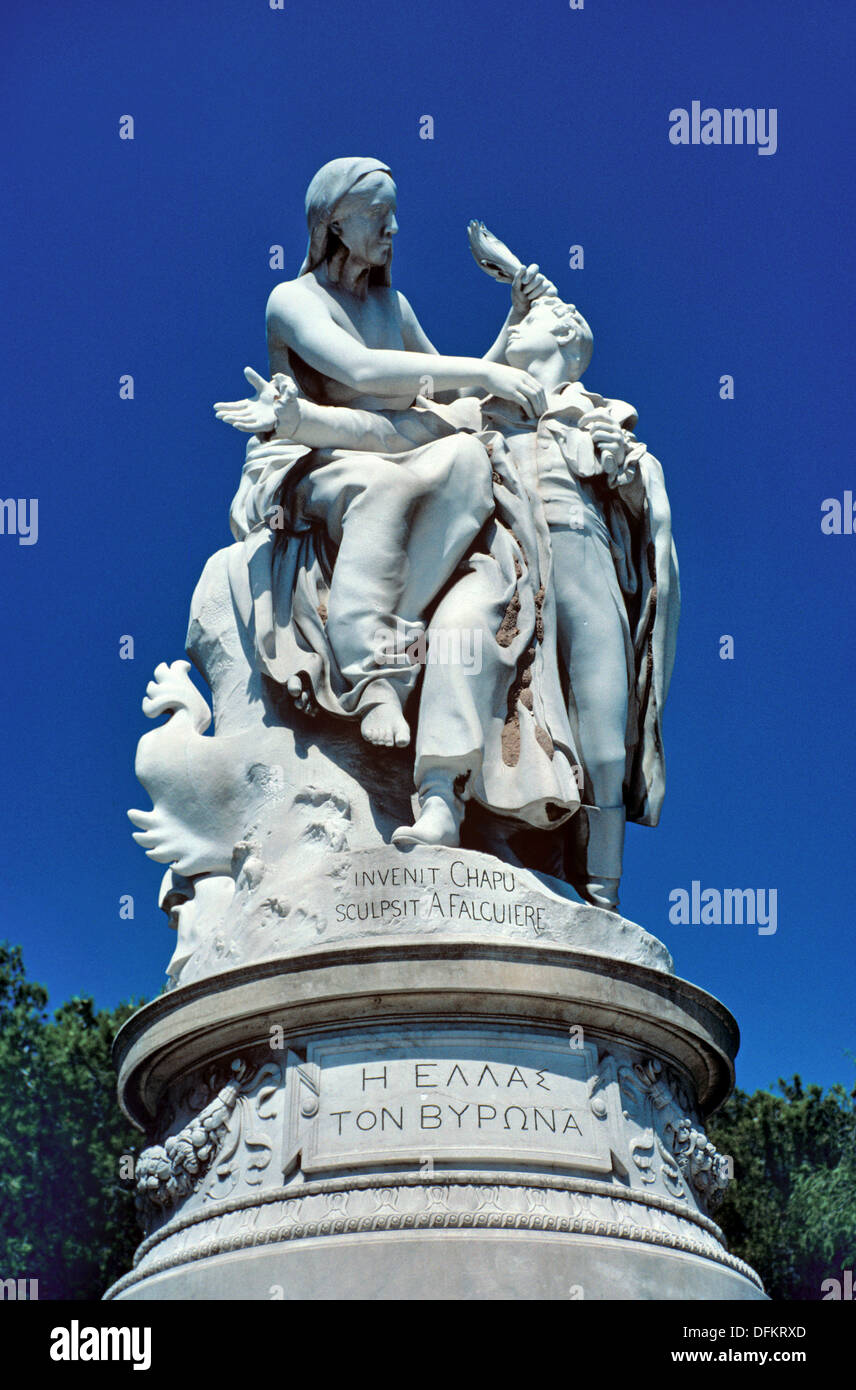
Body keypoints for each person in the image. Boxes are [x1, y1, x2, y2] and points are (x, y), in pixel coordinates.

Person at [215, 156, 550, 750]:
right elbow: (362, 370)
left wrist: (513, 320)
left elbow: (452, 391)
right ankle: (373, 679)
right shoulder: (291, 300)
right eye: (378, 215)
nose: (393, 229)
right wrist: (482, 372)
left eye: (394, 215)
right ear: (335, 225)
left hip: (399, 442)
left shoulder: (394, 309)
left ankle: (400, 635)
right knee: (380, 485)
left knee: (472, 464)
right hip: (312, 453)